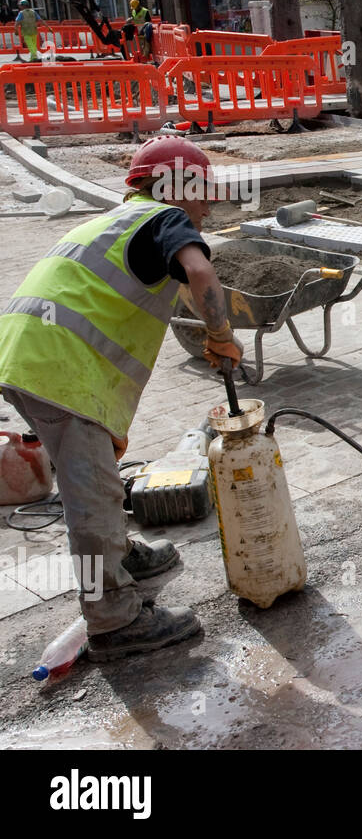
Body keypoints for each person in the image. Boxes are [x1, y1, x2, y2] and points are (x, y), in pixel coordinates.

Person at [0, 135, 244, 661]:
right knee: (93, 498)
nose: (207, 206)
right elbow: (200, 273)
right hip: (56, 366)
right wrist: (221, 334)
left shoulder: (114, 222)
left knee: (93, 477)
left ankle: (123, 556)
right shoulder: (164, 218)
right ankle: (113, 619)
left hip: (25, 354)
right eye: (202, 192)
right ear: (177, 186)